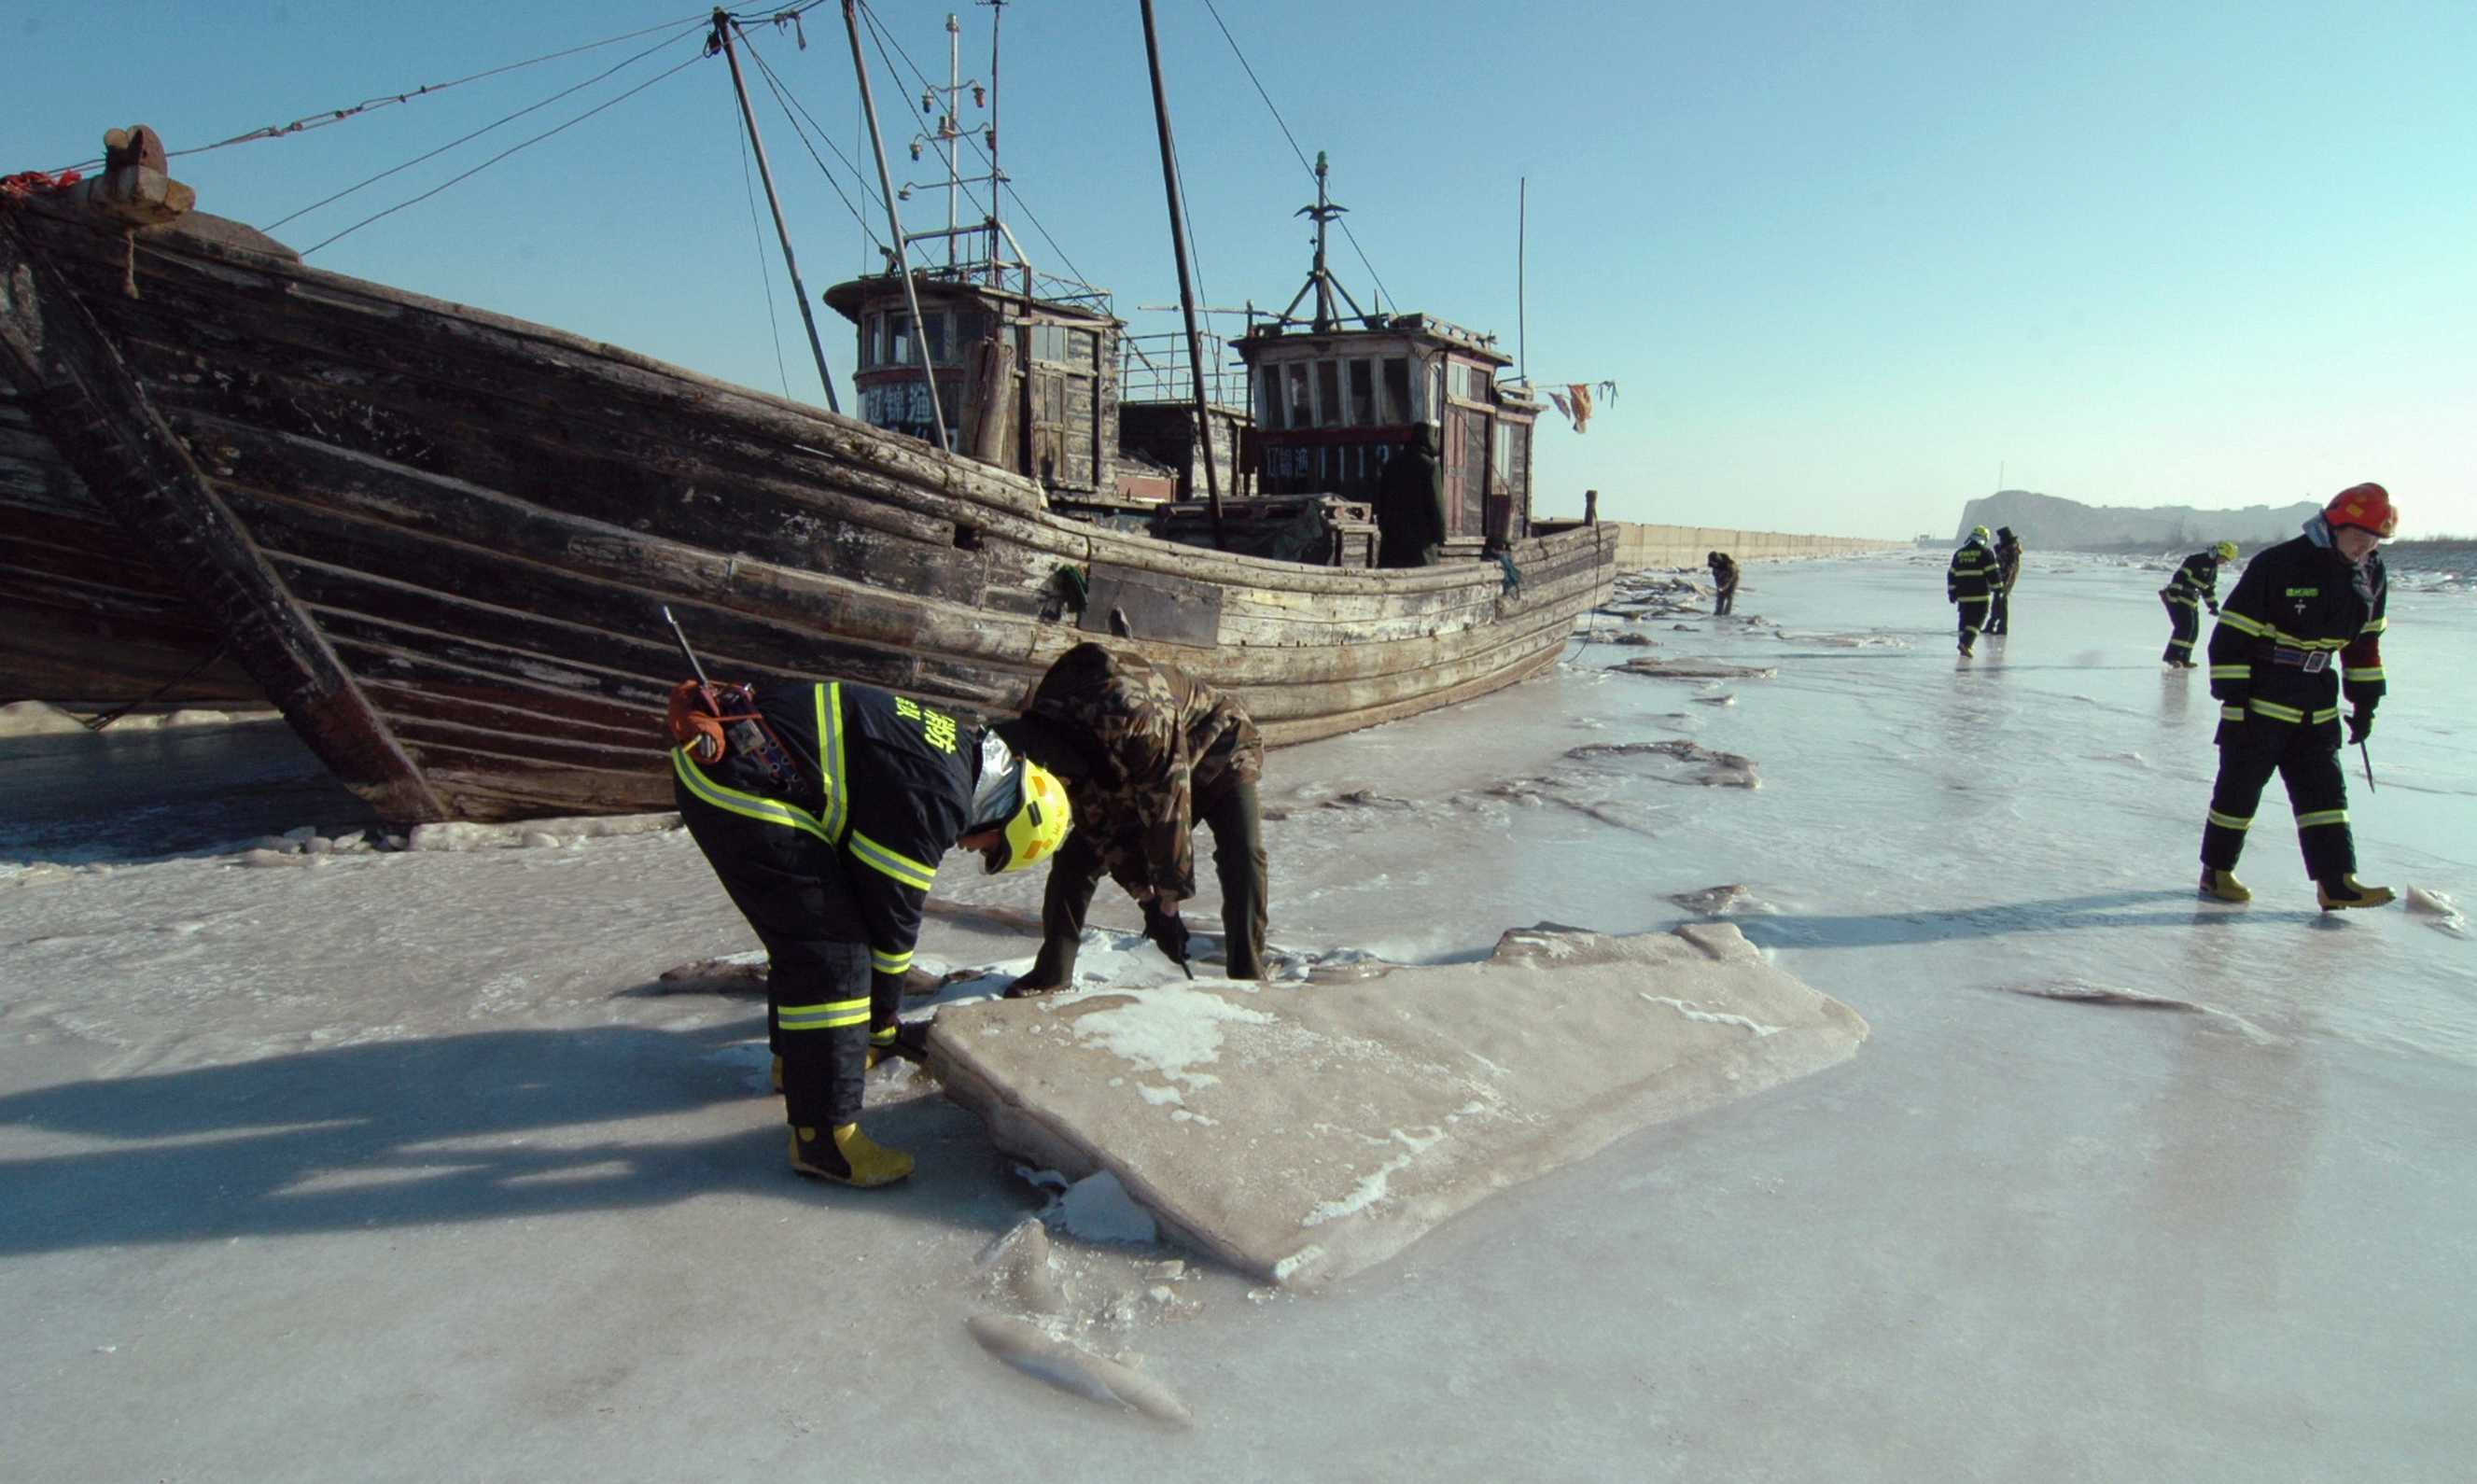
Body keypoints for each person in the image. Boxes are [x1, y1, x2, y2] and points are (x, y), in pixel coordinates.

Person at [667, 675, 1071, 1185]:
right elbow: (890, 922)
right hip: (743, 782)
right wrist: (882, 1025)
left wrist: (878, 1025)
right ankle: (824, 1141)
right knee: (833, 954)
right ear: (1009, 815)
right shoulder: (941, 796)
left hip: (752, 765)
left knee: (815, 937)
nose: (973, 850)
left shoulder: (959, 752)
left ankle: (796, 1066)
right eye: (992, 847)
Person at [994, 642, 1267, 994]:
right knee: (1075, 861)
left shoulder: (1137, 714)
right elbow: (1101, 832)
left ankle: (1248, 979)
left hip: (1221, 744)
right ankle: (1052, 973)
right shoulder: (1056, 737)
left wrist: (1168, 903)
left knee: (1242, 852)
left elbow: (1169, 810)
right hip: (1131, 758)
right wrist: (1146, 899)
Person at [2196, 483, 2396, 911]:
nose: (2366, 547)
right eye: (2359, 536)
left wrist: (2365, 703)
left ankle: (2336, 882)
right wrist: (2233, 702)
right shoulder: (2280, 563)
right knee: (2239, 792)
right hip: (2261, 697)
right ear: (2335, 524)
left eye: (2374, 540)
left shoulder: (2372, 573)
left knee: (2324, 795)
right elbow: (2231, 635)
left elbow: (2365, 645)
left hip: (2317, 698)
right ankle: (2217, 872)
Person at [1375, 425, 1445, 568]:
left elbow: (1380, 503)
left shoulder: (1391, 464)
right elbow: (1437, 506)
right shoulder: (1430, 467)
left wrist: (1385, 529)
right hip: (1421, 548)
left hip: (1392, 546)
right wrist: (1441, 536)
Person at [2160, 540, 2237, 667]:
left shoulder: (2213, 569)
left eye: (2226, 560)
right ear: (2217, 553)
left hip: (2191, 600)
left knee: (2194, 630)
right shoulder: (2196, 560)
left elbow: (2207, 589)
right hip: (2177, 598)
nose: (2224, 562)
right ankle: (2172, 656)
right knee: (2185, 627)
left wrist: (2213, 606)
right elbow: (2180, 576)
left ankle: (2184, 658)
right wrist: (2174, 591)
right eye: (2223, 558)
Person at [1945, 525, 2002, 656]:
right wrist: (1998, 589)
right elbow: (1992, 572)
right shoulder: (1986, 553)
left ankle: (1962, 643)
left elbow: (1951, 574)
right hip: (1980, 595)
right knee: (1977, 620)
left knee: (1964, 620)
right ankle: (1966, 644)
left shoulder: (1959, 553)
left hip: (1963, 595)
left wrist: (1952, 593)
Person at [1984, 527, 2024, 635]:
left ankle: (2000, 628)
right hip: (2004, 580)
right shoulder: (2010, 549)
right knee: (1998, 604)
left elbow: (2007, 568)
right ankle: (1993, 626)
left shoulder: (2010, 550)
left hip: (2004, 581)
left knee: (2000, 604)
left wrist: (2002, 582)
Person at [1706, 551, 1740, 616]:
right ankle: (1718, 612)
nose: (1714, 565)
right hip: (1721, 577)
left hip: (1733, 579)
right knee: (1720, 596)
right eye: (1713, 563)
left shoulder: (1730, 565)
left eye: (1715, 563)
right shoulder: (1713, 565)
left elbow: (1731, 578)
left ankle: (1727, 613)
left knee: (1730, 596)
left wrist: (1725, 586)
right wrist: (1719, 586)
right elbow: (1716, 577)